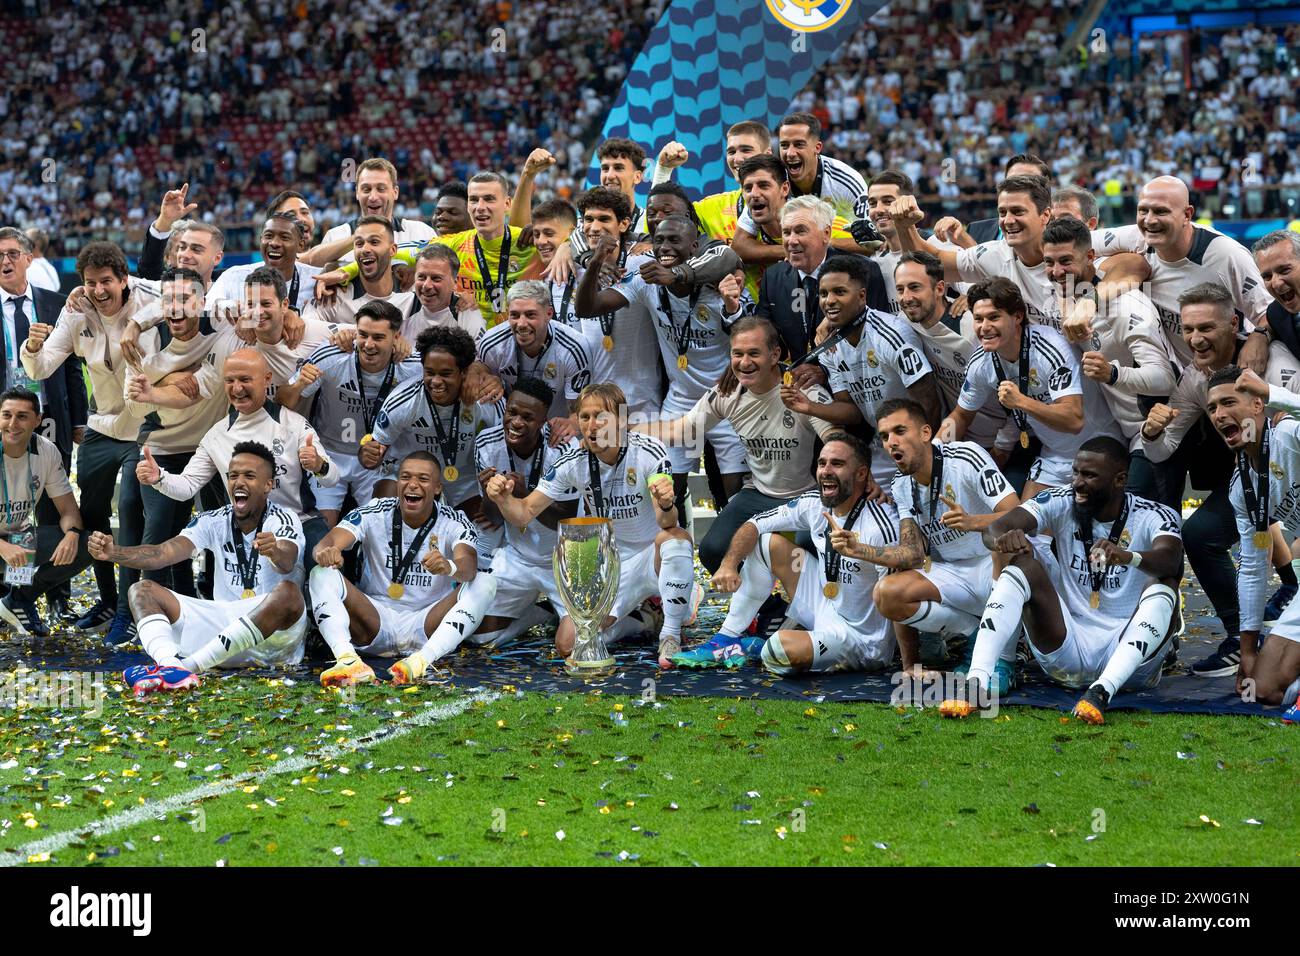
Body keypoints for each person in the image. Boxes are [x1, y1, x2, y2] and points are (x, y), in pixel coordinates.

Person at [941, 437, 1184, 725]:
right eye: (1076, 472)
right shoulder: (1059, 500)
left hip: (1130, 662)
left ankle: (1101, 693)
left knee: (1163, 585)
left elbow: (1171, 560)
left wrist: (1126, 556)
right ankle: (977, 682)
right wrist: (1004, 538)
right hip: (1067, 651)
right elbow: (995, 528)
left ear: (1120, 480)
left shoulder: (1155, 514)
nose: (1078, 483)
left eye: (1090, 475)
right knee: (1022, 566)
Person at [485, 383, 703, 668]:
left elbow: (667, 522)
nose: (591, 425)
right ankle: (644, 619)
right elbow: (524, 513)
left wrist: (665, 503)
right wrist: (503, 498)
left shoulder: (649, 451)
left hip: (654, 554)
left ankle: (671, 632)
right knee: (568, 645)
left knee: (676, 539)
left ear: (622, 419)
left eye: (600, 416)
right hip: (614, 560)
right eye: (584, 417)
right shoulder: (572, 461)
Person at [1139, 282, 1293, 676]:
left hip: (1288, 454)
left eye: (1206, 328)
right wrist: (1151, 433)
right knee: (1212, 531)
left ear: (1233, 324)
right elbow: (1164, 449)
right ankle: (1241, 635)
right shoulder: (1194, 378)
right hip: (1254, 475)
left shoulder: (1271, 361)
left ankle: (1289, 586)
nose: (1195, 338)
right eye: (1188, 329)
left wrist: (1276, 395)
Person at [93, 441, 309, 696]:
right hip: (221, 630)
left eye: (250, 476)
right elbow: (162, 553)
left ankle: (185, 667)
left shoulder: (283, 518)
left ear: (268, 485)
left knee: (289, 593)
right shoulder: (214, 520)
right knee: (142, 590)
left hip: (272, 637)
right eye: (233, 476)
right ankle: (171, 667)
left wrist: (274, 550)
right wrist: (113, 553)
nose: (239, 482)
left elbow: (287, 561)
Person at [20, 241, 159, 632]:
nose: (99, 291)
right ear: (81, 284)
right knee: (92, 515)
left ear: (124, 279)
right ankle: (109, 601)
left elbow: (189, 294)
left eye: (107, 282)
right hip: (101, 426)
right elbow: (41, 366)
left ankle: (129, 612)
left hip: (143, 425)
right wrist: (32, 346)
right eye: (91, 283)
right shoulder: (76, 311)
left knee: (130, 507)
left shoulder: (148, 300)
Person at [633, 316, 838, 575]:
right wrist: (622, 429)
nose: (744, 362)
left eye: (754, 353)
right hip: (759, 493)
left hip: (806, 494)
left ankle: (808, 608)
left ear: (775, 355)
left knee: (813, 547)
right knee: (713, 550)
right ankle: (765, 606)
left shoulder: (800, 389)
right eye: (737, 354)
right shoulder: (728, 392)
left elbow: (835, 440)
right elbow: (680, 430)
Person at [574, 219, 748, 515]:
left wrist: (728, 304)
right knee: (666, 490)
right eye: (659, 241)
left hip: (727, 399)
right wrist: (594, 263)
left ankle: (738, 557)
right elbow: (587, 308)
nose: (665, 247)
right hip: (680, 399)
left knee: (733, 494)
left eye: (674, 240)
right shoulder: (645, 280)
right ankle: (674, 551)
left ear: (695, 247)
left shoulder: (717, 279)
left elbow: (745, 328)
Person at [703, 433, 899, 674]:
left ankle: (763, 647)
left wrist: (909, 662)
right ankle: (726, 639)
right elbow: (755, 523)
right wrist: (728, 564)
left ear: (861, 474)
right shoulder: (814, 503)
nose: (826, 470)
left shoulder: (881, 524)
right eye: (821, 463)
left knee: (779, 649)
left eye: (837, 464)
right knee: (765, 542)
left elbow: (896, 593)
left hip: (861, 639)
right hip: (826, 607)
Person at [132, 348, 337, 568]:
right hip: (247, 530)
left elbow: (332, 478)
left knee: (324, 565)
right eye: (229, 380)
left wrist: (318, 465)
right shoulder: (216, 436)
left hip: (301, 521)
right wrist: (159, 478)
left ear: (267, 379)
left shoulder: (293, 424)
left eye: (245, 379)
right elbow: (187, 487)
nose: (237, 388)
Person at [308, 451, 497, 687]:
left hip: (426, 622)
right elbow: (326, 543)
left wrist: (448, 566)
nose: (413, 485)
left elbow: (468, 568)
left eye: (423, 479)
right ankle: (348, 661)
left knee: (485, 581)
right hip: (375, 620)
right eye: (405, 477)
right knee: (321, 572)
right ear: (398, 483)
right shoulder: (373, 511)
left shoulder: (454, 520)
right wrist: (326, 552)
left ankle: (420, 662)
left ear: (438, 488)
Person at [869, 398, 1021, 689]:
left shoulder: (966, 456)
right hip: (953, 571)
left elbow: (1017, 515)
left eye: (900, 431)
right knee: (887, 593)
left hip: (996, 564)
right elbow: (912, 553)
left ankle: (1003, 660)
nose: (892, 442)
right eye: (885, 436)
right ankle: (974, 635)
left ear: (926, 433)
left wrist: (972, 521)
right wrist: (860, 550)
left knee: (1004, 541)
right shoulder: (901, 484)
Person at [942, 277, 1120, 497]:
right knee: (1025, 525)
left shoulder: (1050, 347)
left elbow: (1074, 420)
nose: (984, 327)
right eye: (978, 319)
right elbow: (960, 416)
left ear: (1017, 316)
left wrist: (1021, 402)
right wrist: (936, 449)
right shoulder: (981, 362)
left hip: (1099, 446)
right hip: (1054, 456)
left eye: (993, 317)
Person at [1045, 215, 1176, 499]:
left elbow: (1166, 379)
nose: (1056, 271)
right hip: (1120, 432)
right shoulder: (1065, 295)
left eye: (1066, 261)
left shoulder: (1128, 305)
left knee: (1146, 524)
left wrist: (1113, 374)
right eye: (1049, 262)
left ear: (1091, 256)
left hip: (1157, 430)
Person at [795, 255, 942, 490]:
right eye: (824, 294)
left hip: (919, 442)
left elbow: (929, 401)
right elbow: (852, 412)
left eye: (840, 292)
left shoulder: (891, 334)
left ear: (862, 295)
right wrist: (809, 407)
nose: (829, 301)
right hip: (882, 445)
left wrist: (923, 453)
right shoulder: (829, 346)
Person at [277, 301, 423, 527]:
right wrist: (298, 386)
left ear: (397, 337)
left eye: (378, 337)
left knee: (384, 527)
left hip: (382, 458)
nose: (369, 344)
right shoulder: (332, 356)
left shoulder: (413, 366)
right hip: (330, 453)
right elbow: (282, 402)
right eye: (362, 335)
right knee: (322, 531)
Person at [1207, 366, 1300, 720]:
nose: (1219, 415)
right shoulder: (1240, 488)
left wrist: (1275, 393)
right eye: (1212, 408)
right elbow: (1253, 569)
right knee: (1263, 690)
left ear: (1258, 406)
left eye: (1228, 402)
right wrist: (1247, 649)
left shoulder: (1290, 435)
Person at [369, 325, 505, 544]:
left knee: (486, 530)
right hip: (409, 475)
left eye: (446, 374)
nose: (436, 381)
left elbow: (504, 447)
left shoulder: (485, 398)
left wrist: (493, 492)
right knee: (383, 516)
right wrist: (370, 455)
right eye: (430, 372)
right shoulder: (403, 400)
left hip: (464, 478)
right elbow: (375, 450)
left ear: (464, 372)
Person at [472, 377, 582, 646]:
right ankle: (543, 612)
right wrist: (491, 495)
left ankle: (639, 618)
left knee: (578, 643)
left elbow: (565, 520)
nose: (516, 422)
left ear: (544, 421)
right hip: (518, 558)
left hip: (563, 558)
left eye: (528, 417)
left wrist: (525, 494)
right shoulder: (487, 443)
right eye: (512, 412)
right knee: (479, 634)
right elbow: (493, 518)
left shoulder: (565, 447)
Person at [750, 196, 891, 362]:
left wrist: (825, 371)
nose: (791, 241)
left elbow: (878, 338)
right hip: (799, 381)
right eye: (786, 232)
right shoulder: (773, 277)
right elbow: (764, 335)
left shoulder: (863, 272)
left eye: (800, 231)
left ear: (826, 233)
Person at [0, 389, 93, 637]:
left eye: (22, 416)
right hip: (4, 545)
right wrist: (2, 547)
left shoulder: (46, 451)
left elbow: (68, 509)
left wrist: (72, 535)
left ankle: (20, 599)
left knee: (88, 544)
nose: (12, 424)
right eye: (6, 415)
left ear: (37, 420)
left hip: (19, 539)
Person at [476, 279, 591, 423]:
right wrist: (488, 378)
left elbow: (578, 411)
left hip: (554, 426)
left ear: (549, 314)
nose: (522, 324)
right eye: (515, 315)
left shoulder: (574, 348)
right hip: (509, 425)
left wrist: (571, 424)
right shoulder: (492, 343)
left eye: (530, 315)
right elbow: (478, 375)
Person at [304, 157, 435, 267]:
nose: (373, 197)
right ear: (356, 193)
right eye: (366, 189)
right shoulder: (336, 236)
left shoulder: (421, 232)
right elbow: (312, 266)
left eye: (381, 189)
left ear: (395, 192)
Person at [304, 217, 415, 323]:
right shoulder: (333, 296)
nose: (365, 249)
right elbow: (302, 328)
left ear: (392, 250)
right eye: (359, 243)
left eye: (374, 242)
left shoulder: (414, 289)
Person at [206, 212, 321, 314]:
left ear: (300, 245)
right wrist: (239, 309)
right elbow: (206, 308)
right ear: (260, 239)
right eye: (268, 236)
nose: (274, 243)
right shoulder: (234, 276)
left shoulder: (317, 280)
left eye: (284, 237)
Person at [406, 244, 486, 342]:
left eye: (436, 278)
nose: (426, 285)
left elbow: (477, 356)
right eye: (421, 277)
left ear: (454, 283)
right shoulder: (402, 304)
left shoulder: (466, 312)